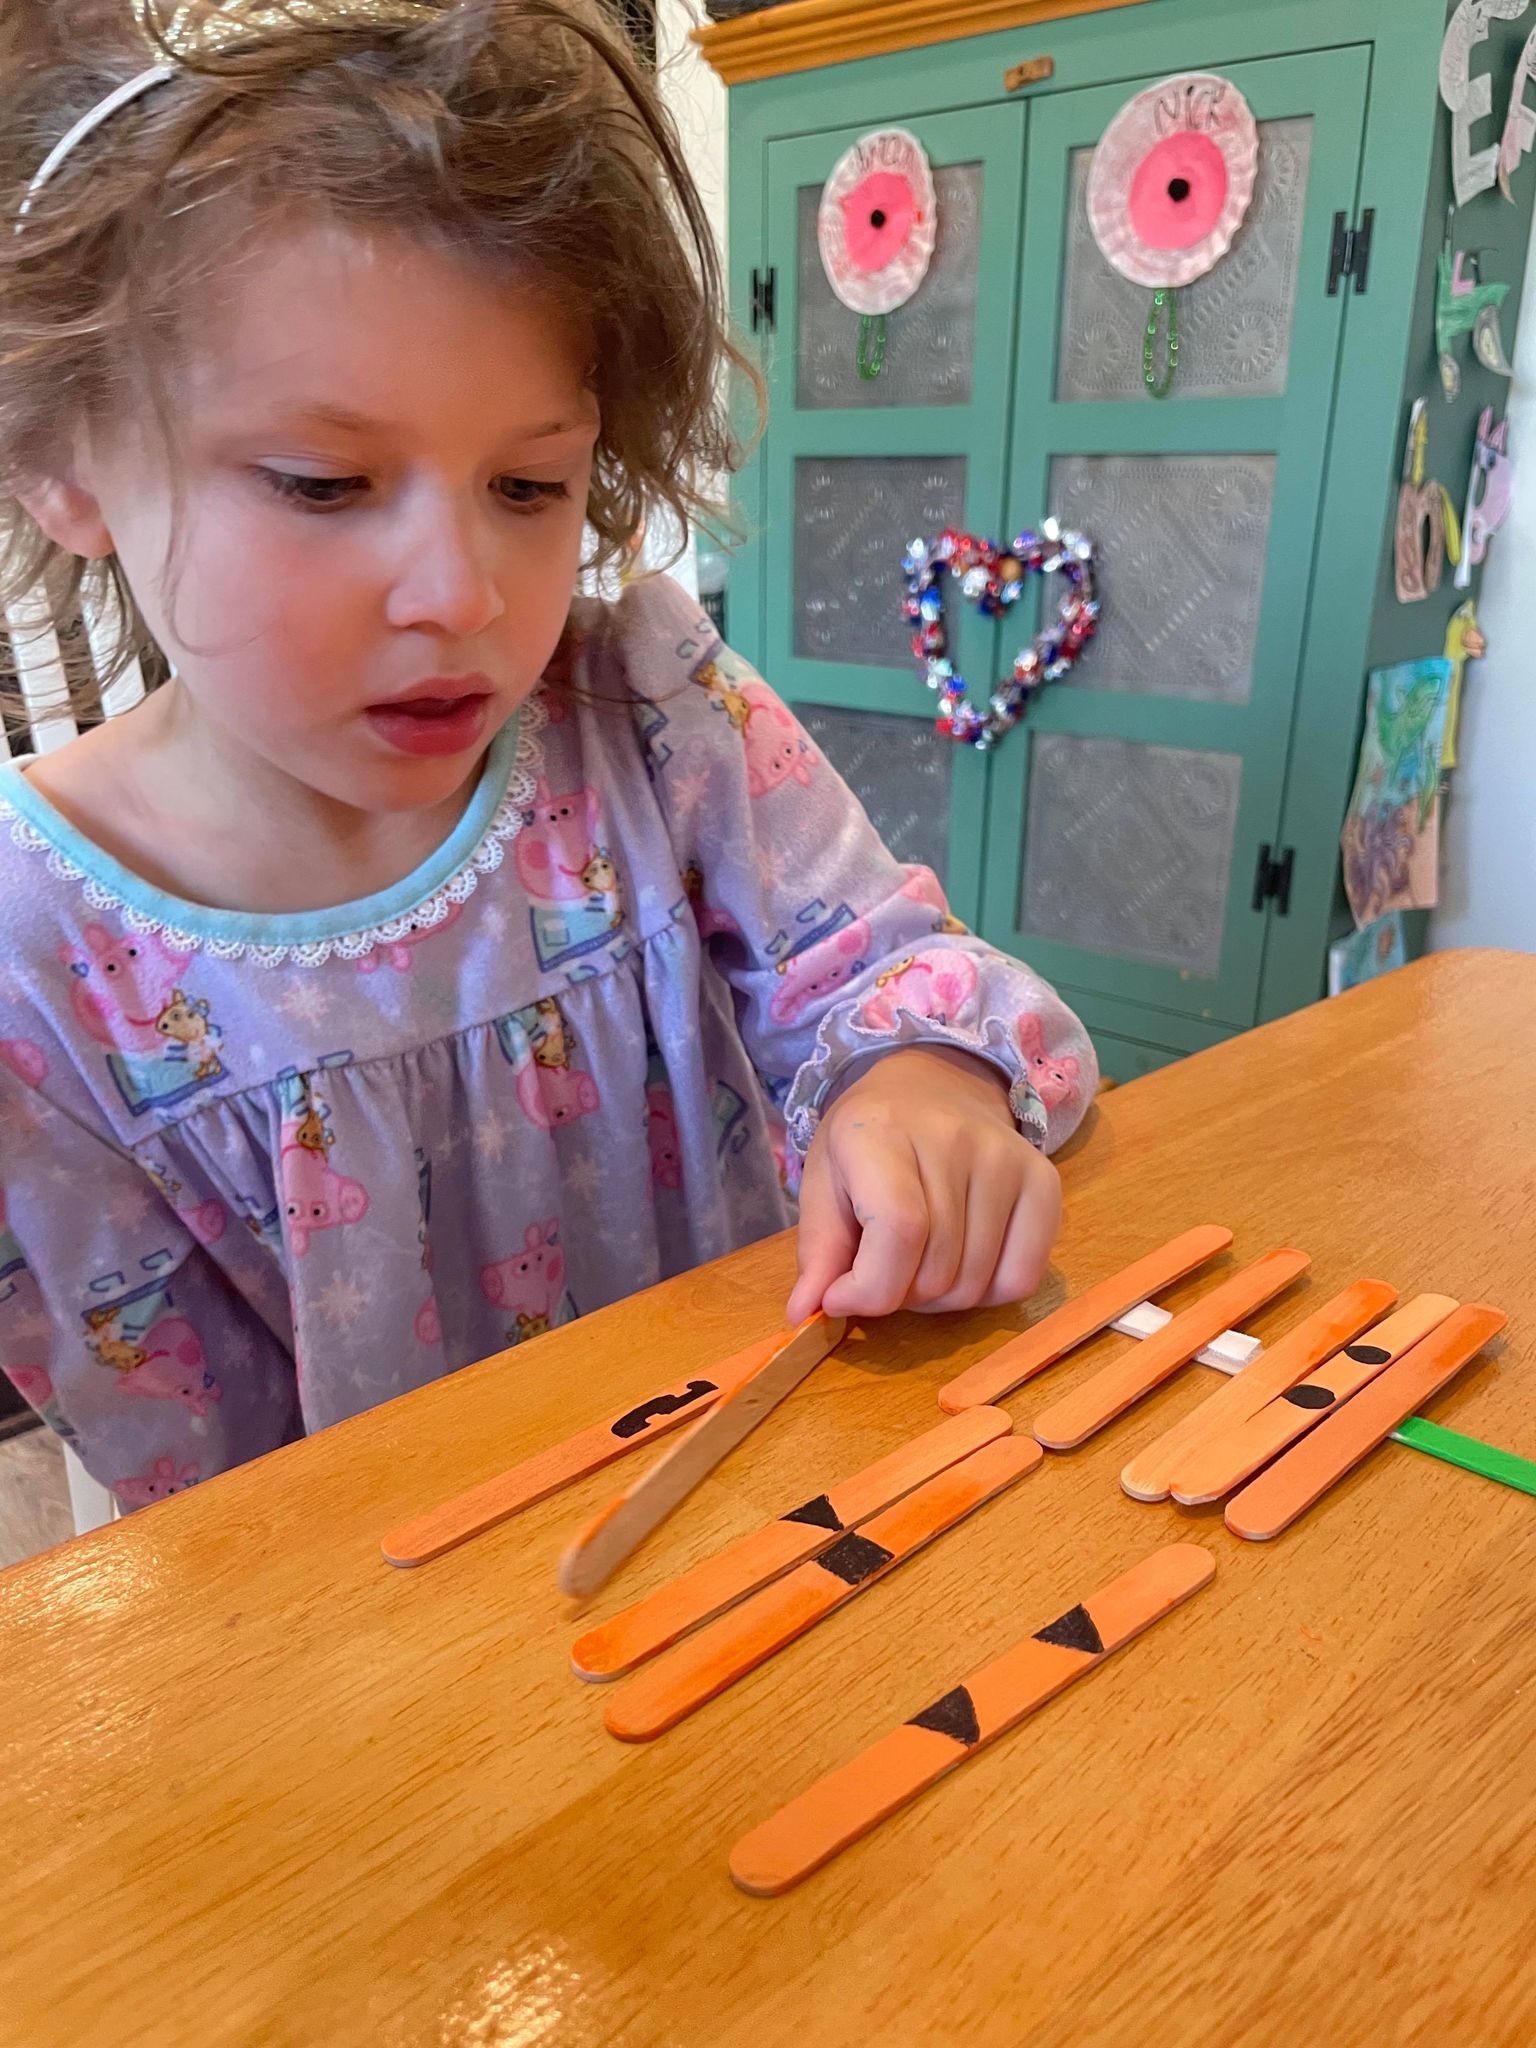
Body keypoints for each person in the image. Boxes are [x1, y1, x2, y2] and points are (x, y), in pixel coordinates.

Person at [0, 0, 1095, 1510]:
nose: (460, 593)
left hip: (776, 1502)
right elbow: (202, 1507)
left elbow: (888, 966)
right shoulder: (31, 955)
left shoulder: (647, 712)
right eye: (324, 483)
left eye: (530, 482)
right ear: (59, 452)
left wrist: (918, 1079)